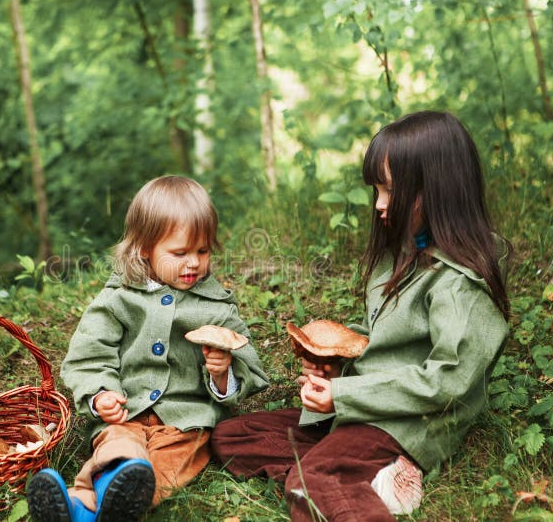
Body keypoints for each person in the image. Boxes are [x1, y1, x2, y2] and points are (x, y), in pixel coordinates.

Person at [210, 111, 511, 522]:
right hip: (367, 406)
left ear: (437, 189)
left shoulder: (460, 281)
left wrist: (344, 396)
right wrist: (336, 361)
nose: (380, 204)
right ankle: (363, 476)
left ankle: (342, 476)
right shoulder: (404, 251)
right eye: (376, 190)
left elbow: (448, 382)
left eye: (389, 190)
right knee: (232, 437)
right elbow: (387, 341)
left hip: (406, 424)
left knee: (309, 483)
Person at [27, 175, 269, 522]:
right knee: (118, 447)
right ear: (144, 248)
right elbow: (89, 353)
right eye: (179, 252)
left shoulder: (216, 306)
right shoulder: (120, 298)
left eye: (203, 251)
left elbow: (250, 366)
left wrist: (222, 373)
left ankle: (83, 508)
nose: (193, 263)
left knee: (166, 464)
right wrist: (101, 395)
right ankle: (98, 500)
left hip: (186, 422)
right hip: (128, 411)